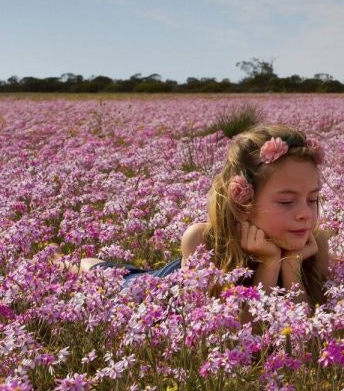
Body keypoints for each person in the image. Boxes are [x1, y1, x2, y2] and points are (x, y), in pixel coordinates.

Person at [71, 124, 329, 308]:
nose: (305, 214)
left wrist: (290, 265)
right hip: (153, 288)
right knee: (94, 271)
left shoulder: (314, 243)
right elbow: (245, 336)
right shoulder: (203, 240)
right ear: (243, 202)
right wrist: (270, 263)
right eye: (286, 202)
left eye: (313, 199)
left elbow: (299, 334)